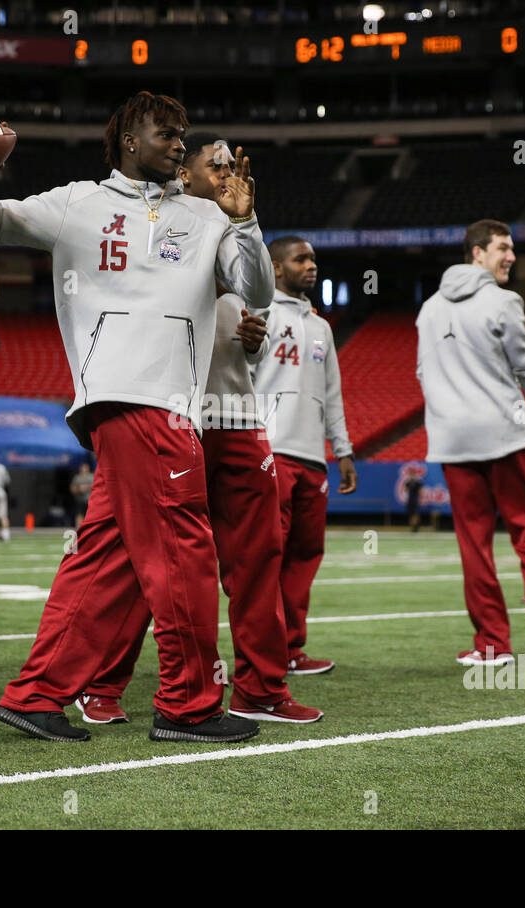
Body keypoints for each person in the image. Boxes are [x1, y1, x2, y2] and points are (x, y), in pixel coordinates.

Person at [0, 92, 275, 743]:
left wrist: (244, 222)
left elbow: (258, 292)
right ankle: (187, 704)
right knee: (186, 550)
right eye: (168, 133)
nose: (180, 145)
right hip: (134, 397)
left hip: (162, 404)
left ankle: (36, 693)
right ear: (131, 137)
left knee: (108, 560)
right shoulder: (77, 202)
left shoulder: (207, 215)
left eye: (184, 135)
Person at [75, 135, 323, 726]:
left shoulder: (238, 229)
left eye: (232, 163)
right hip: (163, 415)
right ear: (183, 175)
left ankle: (260, 687)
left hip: (233, 414)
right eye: (213, 165)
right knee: (144, 561)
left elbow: (252, 306)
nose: (227, 172)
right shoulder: (154, 224)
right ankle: (102, 685)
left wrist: (254, 343)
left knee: (259, 558)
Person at [416, 219, 525, 666]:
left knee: (474, 545)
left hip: (453, 440)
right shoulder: (504, 300)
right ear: (477, 253)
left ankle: (491, 644)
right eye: (503, 247)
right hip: (507, 436)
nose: (511, 256)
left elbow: (422, 374)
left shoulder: (428, 308)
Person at [250, 235, 356, 676]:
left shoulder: (321, 326)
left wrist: (343, 450)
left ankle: (291, 649)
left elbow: (332, 393)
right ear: (275, 267)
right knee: (265, 557)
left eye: (313, 258)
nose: (311, 265)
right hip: (270, 450)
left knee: (305, 556)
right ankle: (263, 654)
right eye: (301, 259)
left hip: (313, 458)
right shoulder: (260, 312)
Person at [69, 462, 94, 528]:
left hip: (90, 500)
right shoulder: (77, 477)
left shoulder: (92, 476)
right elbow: (72, 489)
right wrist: (79, 489)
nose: (83, 469)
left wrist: (86, 487)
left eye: (85, 467)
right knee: (79, 514)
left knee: (91, 515)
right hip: (79, 500)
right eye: (82, 467)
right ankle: (78, 528)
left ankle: (90, 527)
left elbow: (96, 486)